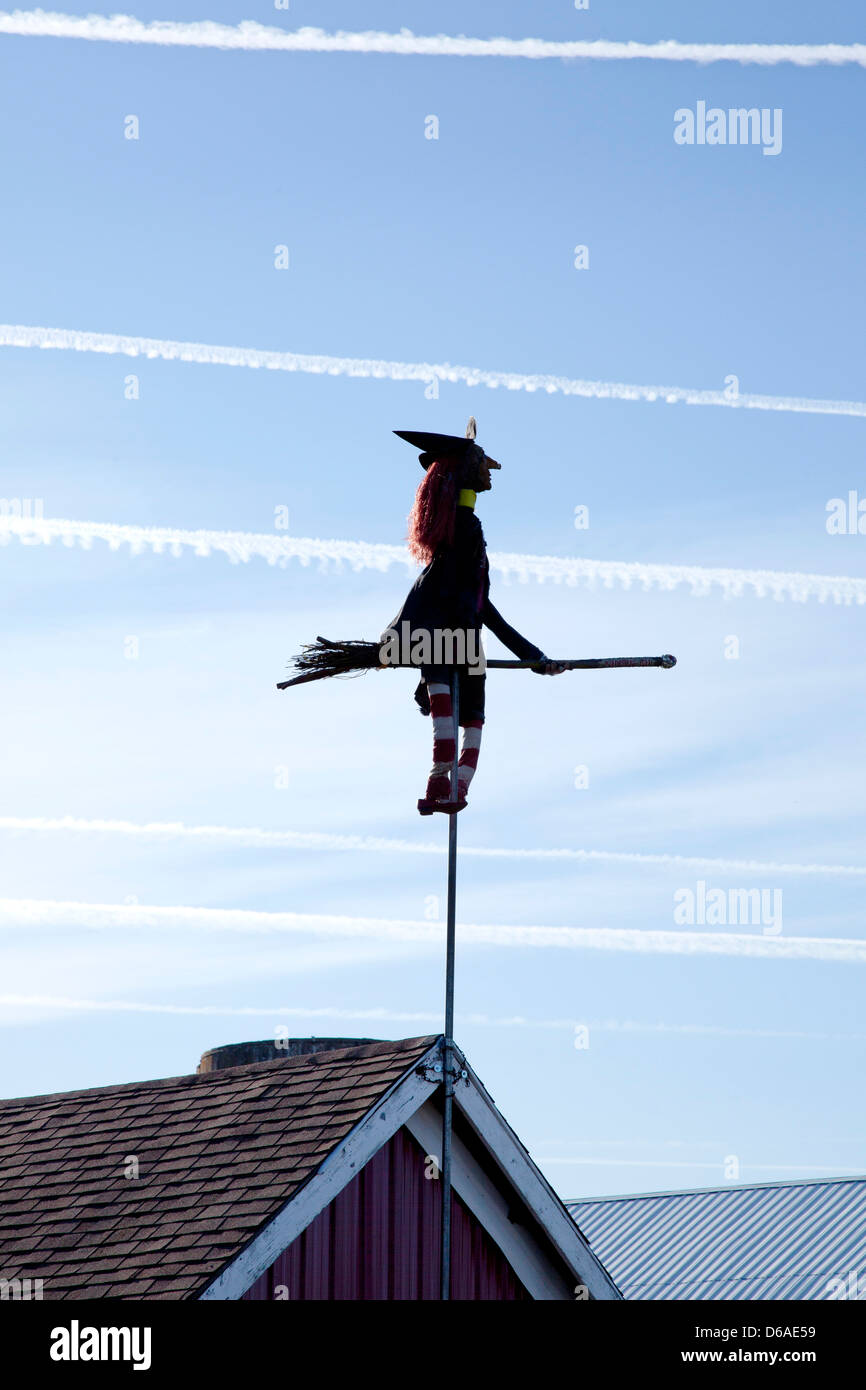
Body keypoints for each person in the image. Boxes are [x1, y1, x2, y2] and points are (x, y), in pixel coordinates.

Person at [385, 419, 564, 815]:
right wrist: (531, 656)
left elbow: (482, 605)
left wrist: (532, 656)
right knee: (453, 729)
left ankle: (455, 790)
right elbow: (468, 603)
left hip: (465, 646)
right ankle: (440, 787)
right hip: (447, 645)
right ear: (466, 469)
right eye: (482, 462)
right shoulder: (462, 538)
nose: (490, 469)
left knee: (473, 725)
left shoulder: (466, 533)